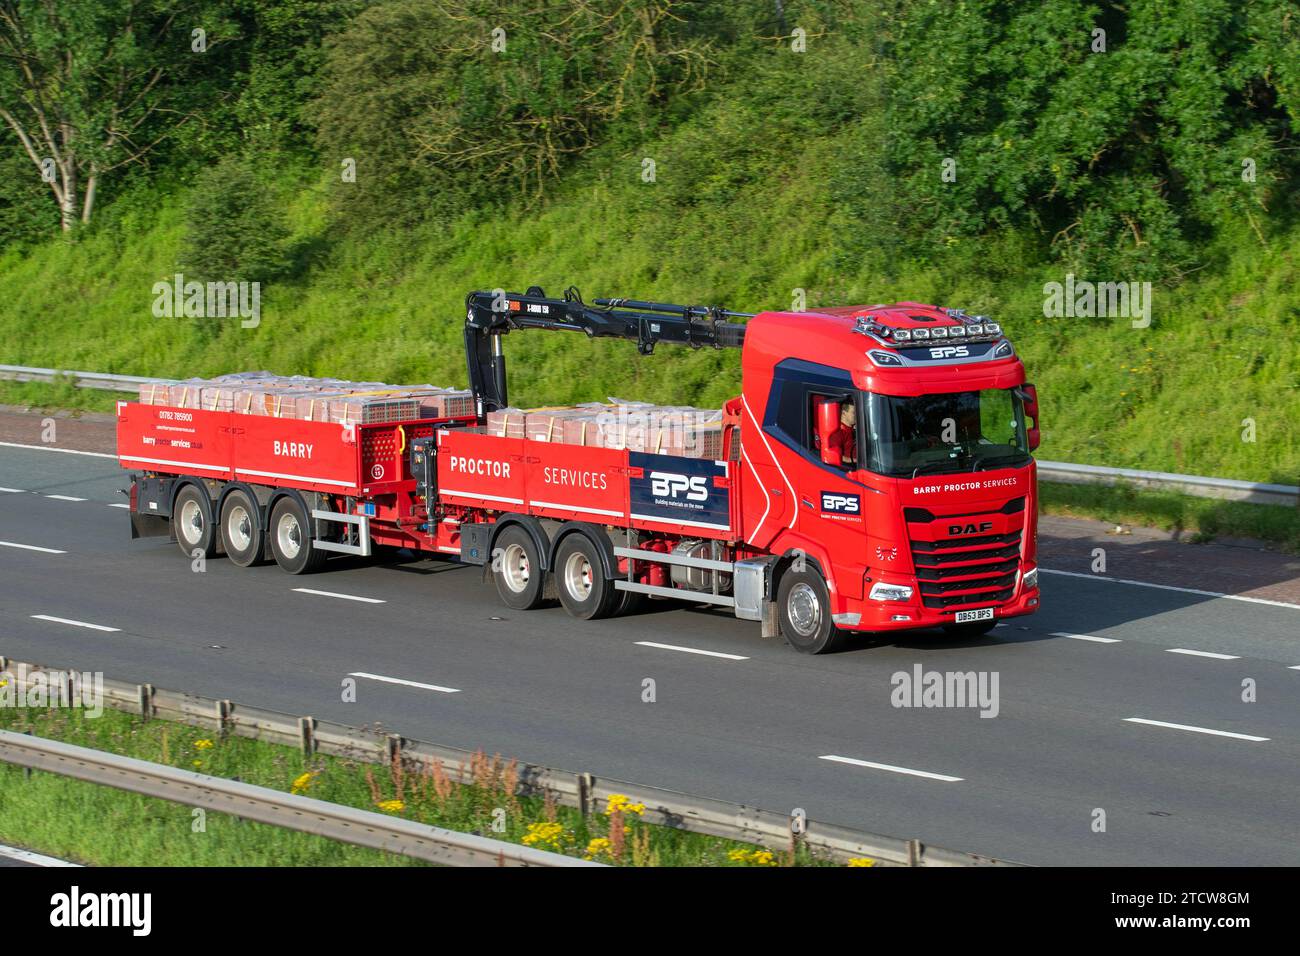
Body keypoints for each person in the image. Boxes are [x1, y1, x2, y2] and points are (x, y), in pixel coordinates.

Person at [827, 401, 857, 467]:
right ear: (843, 413)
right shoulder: (838, 433)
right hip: (850, 467)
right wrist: (857, 461)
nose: (857, 415)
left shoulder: (854, 429)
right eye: (854, 413)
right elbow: (835, 456)